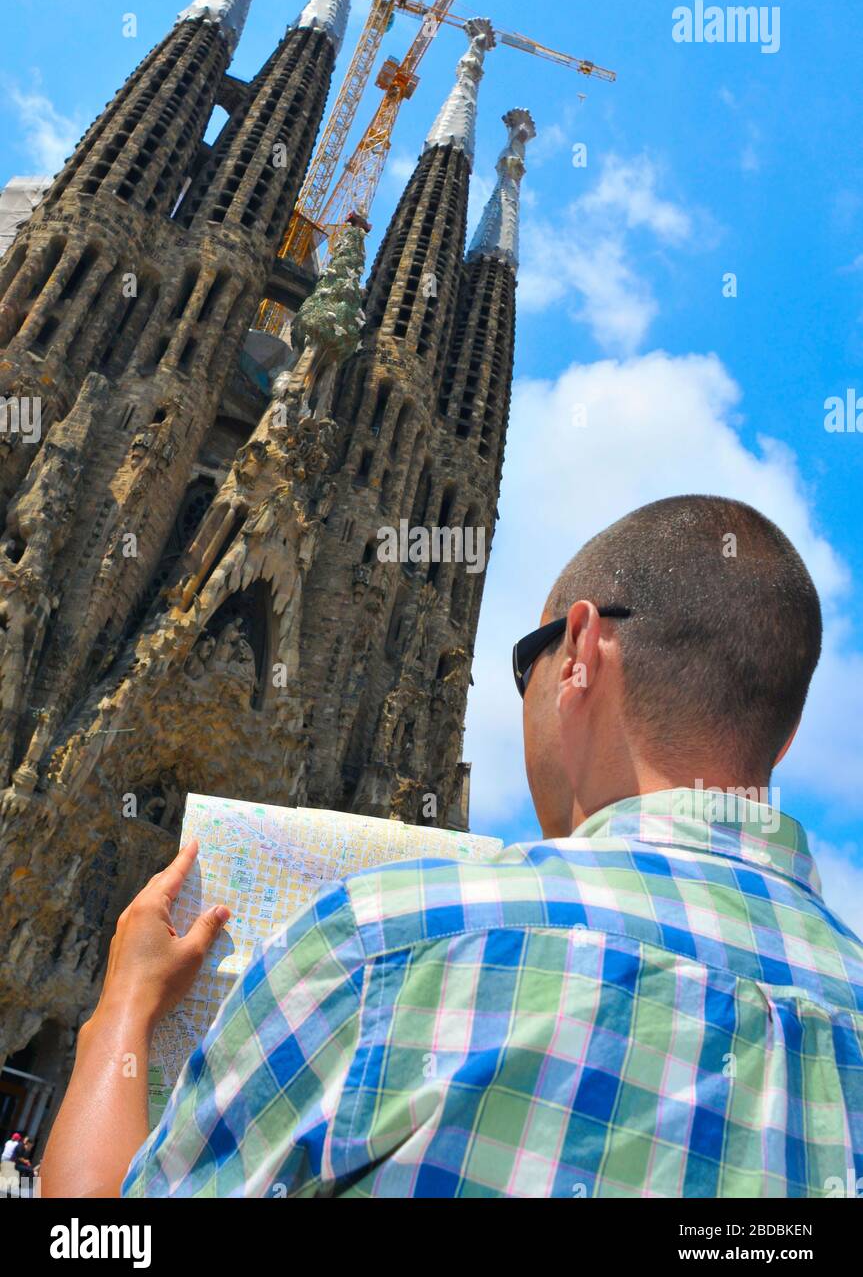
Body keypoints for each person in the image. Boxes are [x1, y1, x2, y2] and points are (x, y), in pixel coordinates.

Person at [41, 495, 863, 1198]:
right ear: (782, 742)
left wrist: (119, 1015)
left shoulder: (390, 940)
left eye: (524, 664)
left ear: (577, 652)